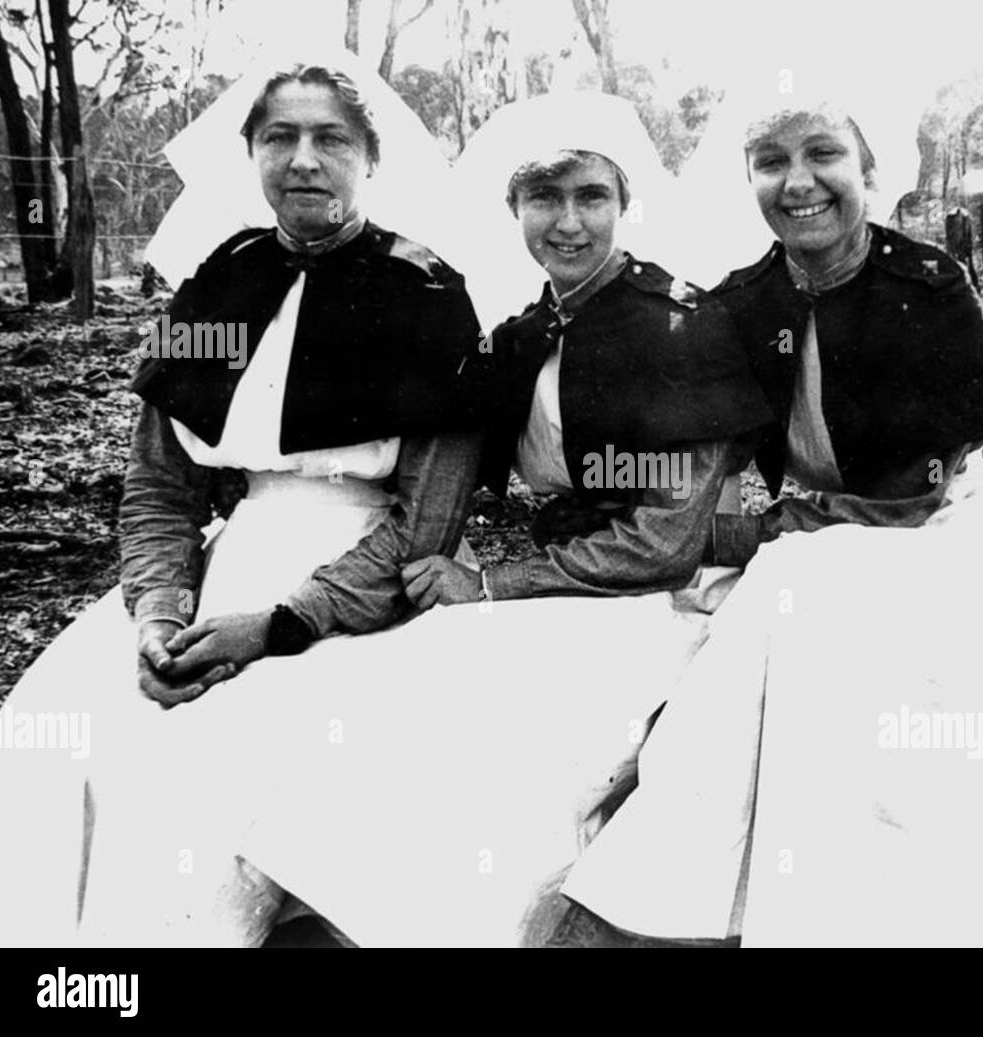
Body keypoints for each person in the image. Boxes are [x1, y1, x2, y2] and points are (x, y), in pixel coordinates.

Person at [58, 91, 773, 948]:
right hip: (547, 581)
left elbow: (665, 535)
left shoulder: (674, 326)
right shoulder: (517, 335)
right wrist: (164, 599)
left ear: (628, 203)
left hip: (660, 587)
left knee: (454, 743)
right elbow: (164, 482)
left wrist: (487, 581)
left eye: (592, 197)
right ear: (512, 210)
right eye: (543, 199)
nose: (568, 223)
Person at [0, 59, 486, 947]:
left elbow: (429, 521)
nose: (303, 160)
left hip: (360, 591)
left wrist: (278, 624)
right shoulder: (219, 283)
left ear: (371, 157)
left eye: (331, 138)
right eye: (278, 138)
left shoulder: (429, 294)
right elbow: (158, 486)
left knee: (222, 776)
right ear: (250, 152)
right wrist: (156, 610)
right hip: (223, 567)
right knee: (44, 745)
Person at [558, 93, 983, 947]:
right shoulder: (742, 302)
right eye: (771, 162)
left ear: (868, 171)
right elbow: (706, 455)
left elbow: (924, 481)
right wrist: (643, 505)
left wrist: (804, 520)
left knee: (801, 604)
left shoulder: (928, 284)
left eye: (823, 155)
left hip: (943, 529)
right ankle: (688, 898)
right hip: (814, 534)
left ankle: (847, 913)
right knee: (765, 606)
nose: (799, 183)